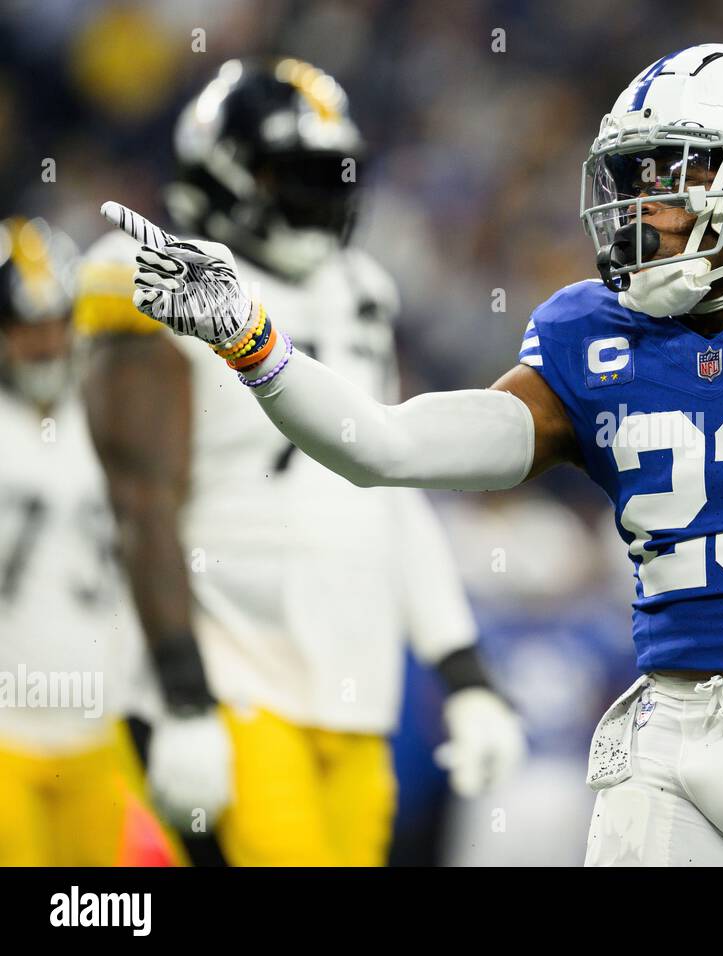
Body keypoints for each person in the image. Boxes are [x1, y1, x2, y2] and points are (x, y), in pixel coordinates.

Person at [101, 43, 723, 866]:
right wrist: (251, 339)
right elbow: (384, 448)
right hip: (662, 729)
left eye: (677, 177)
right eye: (636, 177)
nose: (642, 206)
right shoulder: (596, 340)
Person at [79, 58, 524, 866]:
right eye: (296, 174)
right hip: (234, 677)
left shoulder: (361, 289)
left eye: (333, 174)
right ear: (225, 173)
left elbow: (393, 487)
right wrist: (182, 701)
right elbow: (138, 502)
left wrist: (465, 673)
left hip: (355, 690)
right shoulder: (163, 279)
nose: (321, 197)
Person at [0, 216, 171, 866]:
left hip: (98, 736)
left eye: (54, 325)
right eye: (25, 329)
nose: (44, 345)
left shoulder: (107, 416)